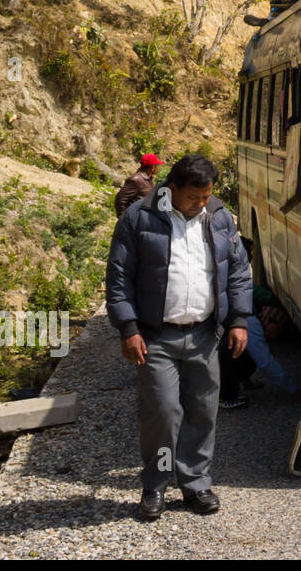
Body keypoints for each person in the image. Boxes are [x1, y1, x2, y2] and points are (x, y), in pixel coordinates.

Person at [105, 154, 252, 520]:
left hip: (204, 334)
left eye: (206, 196)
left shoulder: (219, 218)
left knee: (203, 412)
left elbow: (238, 272)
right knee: (163, 413)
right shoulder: (139, 218)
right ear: (171, 189)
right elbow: (119, 277)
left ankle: (196, 484)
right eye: (194, 197)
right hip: (156, 338)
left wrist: (238, 320)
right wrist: (128, 328)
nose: (201, 203)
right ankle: (155, 485)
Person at [114, 153, 162, 218]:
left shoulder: (150, 179)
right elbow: (120, 199)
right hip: (135, 221)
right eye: (157, 165)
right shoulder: (136, 180)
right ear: (153, 167)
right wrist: (124, 220)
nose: (158, 168)